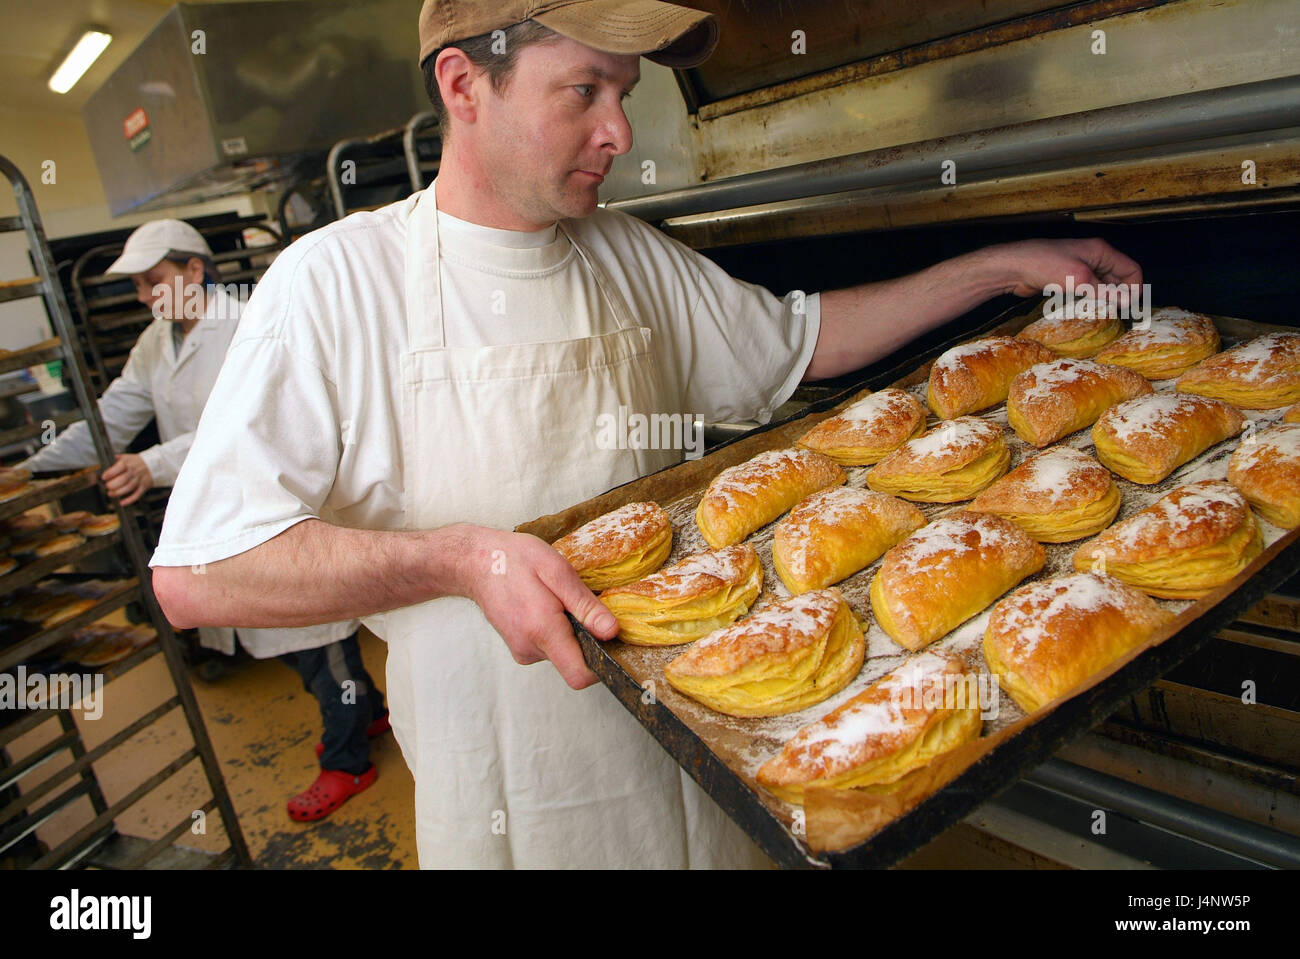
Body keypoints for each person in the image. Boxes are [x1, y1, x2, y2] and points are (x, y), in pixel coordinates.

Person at [148, 1, 1144, 867]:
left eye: (622, 93)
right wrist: (464, 561)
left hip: (711, 755)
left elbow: (804, 341)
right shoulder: (334, 287)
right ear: (464, 84)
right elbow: (200, 573)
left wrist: (997, 266)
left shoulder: (626, 252)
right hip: (518, 792)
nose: (619, 130)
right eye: (583, 91)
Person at [22, 219, 385, 822]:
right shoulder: (154, 343)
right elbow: (110, 416)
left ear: (193, 270)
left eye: (150, 280)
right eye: (137, 285)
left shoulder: (251, 320)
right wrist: (28, 469)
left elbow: (239, 428)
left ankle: (349, 761)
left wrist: (150, 464)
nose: (142, 295)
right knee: (285, 642)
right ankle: (368, 712)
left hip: (282, 511)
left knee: (321, 644)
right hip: (226, 519)